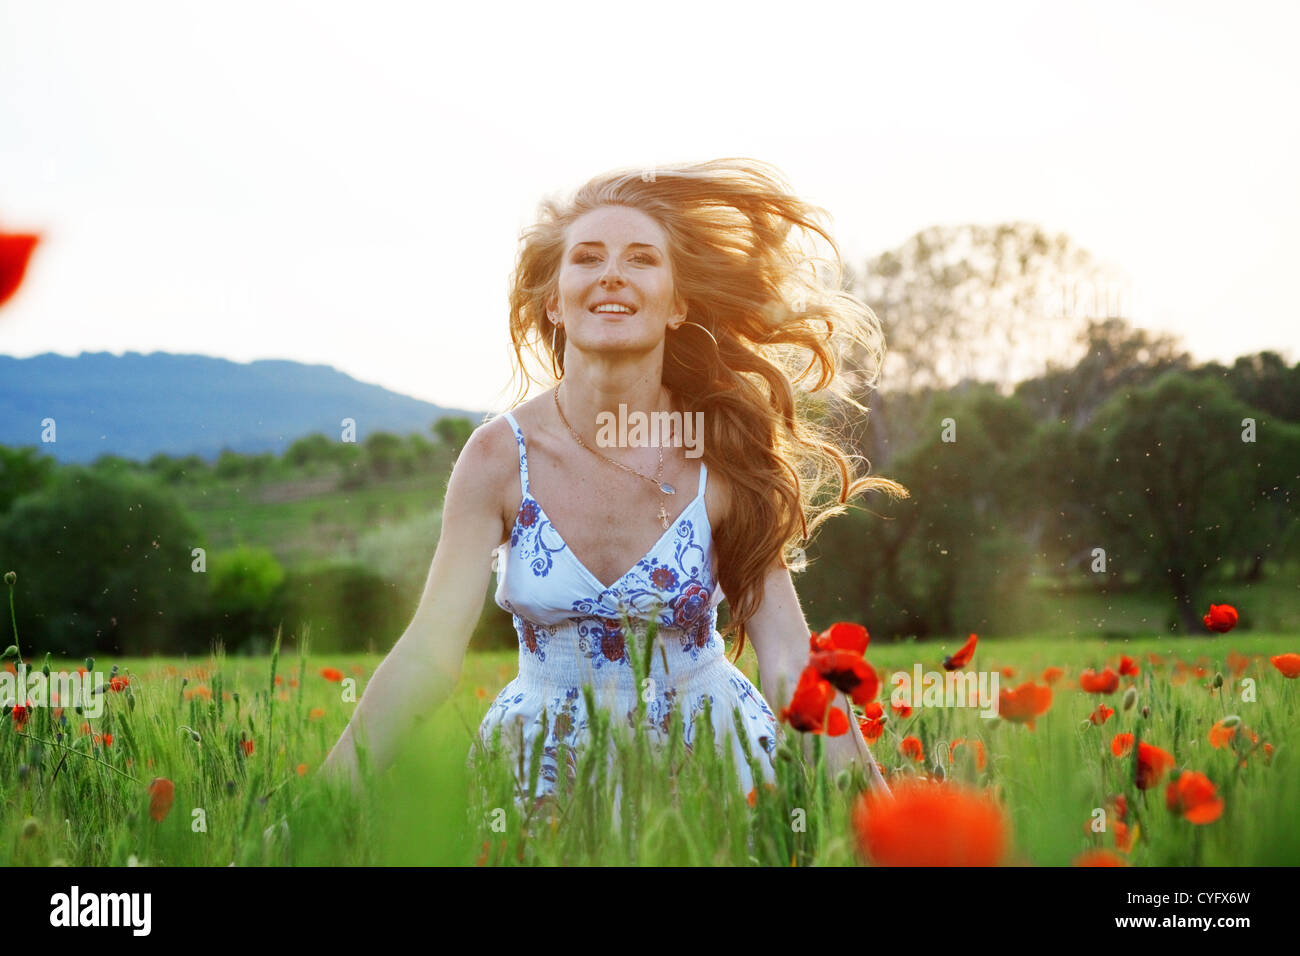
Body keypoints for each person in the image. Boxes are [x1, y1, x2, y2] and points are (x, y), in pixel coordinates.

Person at [320, 159, 906, 808]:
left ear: (679, 303)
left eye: (641, 260)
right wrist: (308, 817)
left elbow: (791, 663)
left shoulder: (723, 454)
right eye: (588, 258)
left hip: (708, 777)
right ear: (554, 300)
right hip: (540, 776)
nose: (612, 275)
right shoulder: (495, 458)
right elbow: (428, 656)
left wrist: (886, 824)